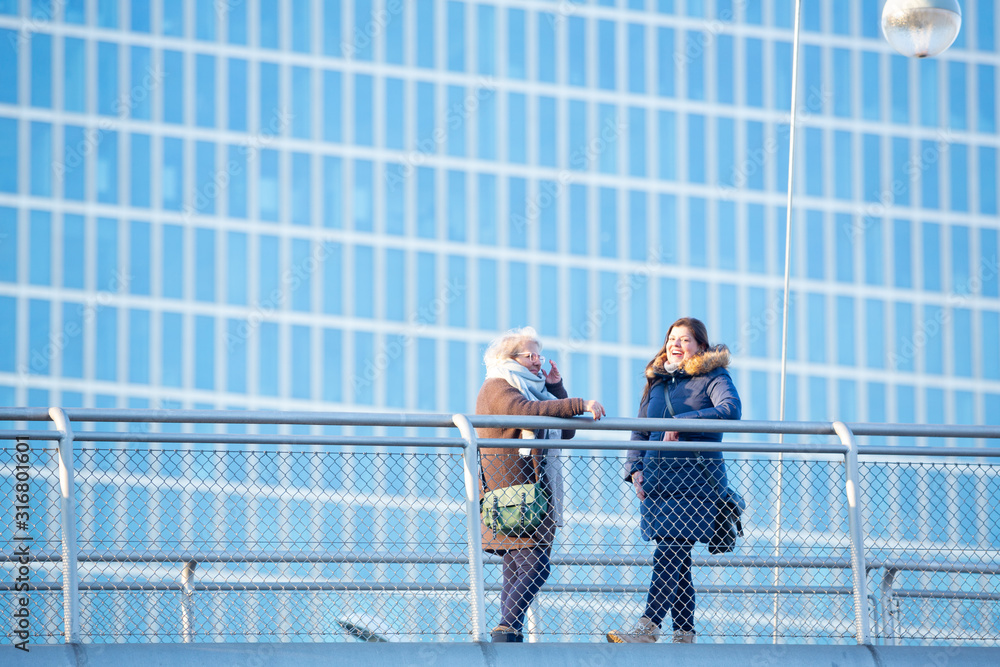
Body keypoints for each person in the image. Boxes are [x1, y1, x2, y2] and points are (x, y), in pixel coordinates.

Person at [607, 317, 741, 644]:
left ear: (701, 347)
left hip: (698, 481)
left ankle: (647, 627)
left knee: (672, 548)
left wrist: (684, 420)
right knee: (676, 556)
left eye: (685, 340)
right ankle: (684, 633)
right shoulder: (657, 382)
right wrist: (634, 469)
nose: (676, 345)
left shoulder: (713, 375)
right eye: (672, 339)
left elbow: (730, 409)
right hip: (657, 480)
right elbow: (640, 430)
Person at [476, 326, 606, 643]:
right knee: (536, 565)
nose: (537, 361)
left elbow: (565, 430)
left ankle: (508, 633)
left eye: (539, 355)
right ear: (510, 358)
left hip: (530, 493)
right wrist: (577, 403)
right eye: (530, 355)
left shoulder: (532, 390)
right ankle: (507, 627)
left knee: (516, 570)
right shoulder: (497, 386)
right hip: (512, 494)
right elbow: (526, 413)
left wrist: (556, 388)